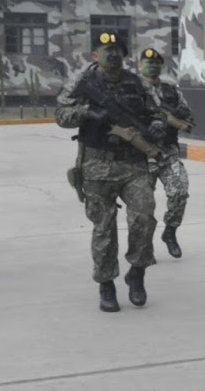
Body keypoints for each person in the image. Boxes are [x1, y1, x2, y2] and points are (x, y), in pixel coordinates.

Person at [55, 32, 168, 313]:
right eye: (107, 50)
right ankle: (106, 285)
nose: (113, 54)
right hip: (96, 165)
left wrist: (157, 126)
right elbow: (61, 116)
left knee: (144, 217)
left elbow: (157, 112)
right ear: (95, 55)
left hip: (133, 165)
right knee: (104, 228)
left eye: (118, 50)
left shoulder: (137, 83)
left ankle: (137, 273)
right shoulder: (82, 83)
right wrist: (87, 113)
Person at [137, 46, 194, 258]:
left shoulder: (171, 91)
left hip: (168, 152)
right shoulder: (133, 89)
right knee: (143, 206)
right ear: (139, 65)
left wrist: (181, 113)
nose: (152, 65)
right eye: (148, 62)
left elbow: (188, 118)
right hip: (141, 154)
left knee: (180, 192)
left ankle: (170, 232)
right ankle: (145, 245)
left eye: (156, 62)